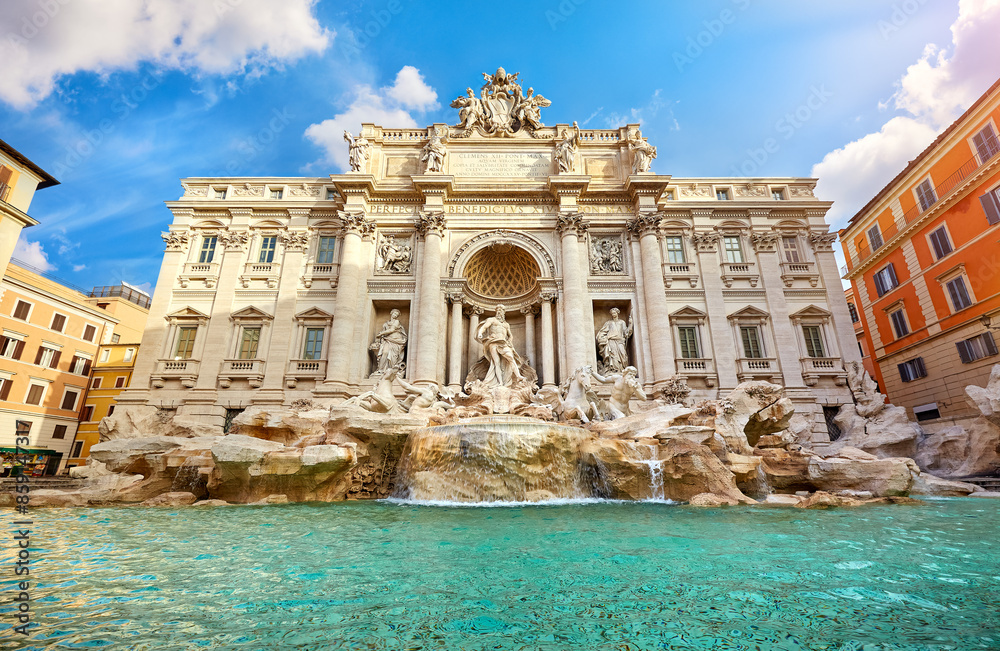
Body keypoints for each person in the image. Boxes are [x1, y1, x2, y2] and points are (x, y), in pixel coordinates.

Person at [476, 305, 525, 388]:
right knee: (496, 363)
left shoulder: (506, 325)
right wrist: (480, 333)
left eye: (501, 310)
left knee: (511, 358)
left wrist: (509, 341)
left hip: (503, 343)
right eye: (498, 310)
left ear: (504, 313)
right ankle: (500, 383)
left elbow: (510, 336)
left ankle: (518, 376)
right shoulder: (491, 320)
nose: (499, 312)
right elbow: (484, 327)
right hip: (493, 342)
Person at [596, 308, 633, 373]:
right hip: (611, 341)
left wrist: (630, 324)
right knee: (613, 356)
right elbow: (602, 332)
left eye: (614, 313)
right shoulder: (609, 323)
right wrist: (603, 338)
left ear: (617, 313)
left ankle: (621, 370)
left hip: (620, 341)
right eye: (612, 313)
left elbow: (626, 333)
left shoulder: (622, 322)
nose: (613, 314)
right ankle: (614, 370)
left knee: (623, 355)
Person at [370, 310, 407, 376]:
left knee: (394, 356)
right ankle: (381, 370)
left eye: (397, 315)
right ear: (391, 313)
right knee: (385, 352)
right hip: (387, 340)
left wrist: (381, 333)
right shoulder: (386, 324)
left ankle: (392, 371)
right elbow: (384, 333)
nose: (395, 315)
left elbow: (392, 330)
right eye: (394, 313)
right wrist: (379, 338)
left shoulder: (397, 322)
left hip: (396, 340)